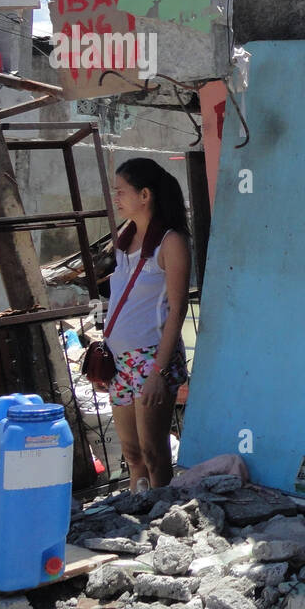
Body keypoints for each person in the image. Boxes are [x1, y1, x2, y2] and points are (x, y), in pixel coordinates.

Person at [105, 158, 192, 491]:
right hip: (120, 361)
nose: (117, 198)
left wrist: (158, 371)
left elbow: (178, 308)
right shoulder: (124, 242)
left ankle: (161, 516)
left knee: (154, 452)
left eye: (121, 191)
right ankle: (138, 511)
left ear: (145, 195)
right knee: (132, 453)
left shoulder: (170, 242)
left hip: (151, 357)